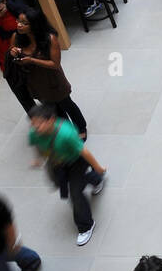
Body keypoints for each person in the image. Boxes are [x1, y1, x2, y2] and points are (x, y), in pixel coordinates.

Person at [27, 104, 106, 246]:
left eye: (39, 124)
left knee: (75, 194)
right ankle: (96, 179)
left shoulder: (66, 133)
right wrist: (39, 159)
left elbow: (84, 152)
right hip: (56, 163)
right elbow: (37, 145)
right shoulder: (34, 133)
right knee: (60, 183)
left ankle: (86, 226)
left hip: (76, 162)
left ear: (50, 120)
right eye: (33, 125)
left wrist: (98, 167)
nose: (35, 128)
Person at [9, 7, 87, 136]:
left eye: (24, 23)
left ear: (35, 24)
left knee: (67, 104)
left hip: (53, 80)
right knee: (53, 109)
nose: (19, 25)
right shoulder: (17, 37)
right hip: (34, 81)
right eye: (18, 21)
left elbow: (55, 64)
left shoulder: (50, 39)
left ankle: (81, 128)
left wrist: (32, 60)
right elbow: (12, 50)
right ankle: (66, 131)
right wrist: (13, 52)